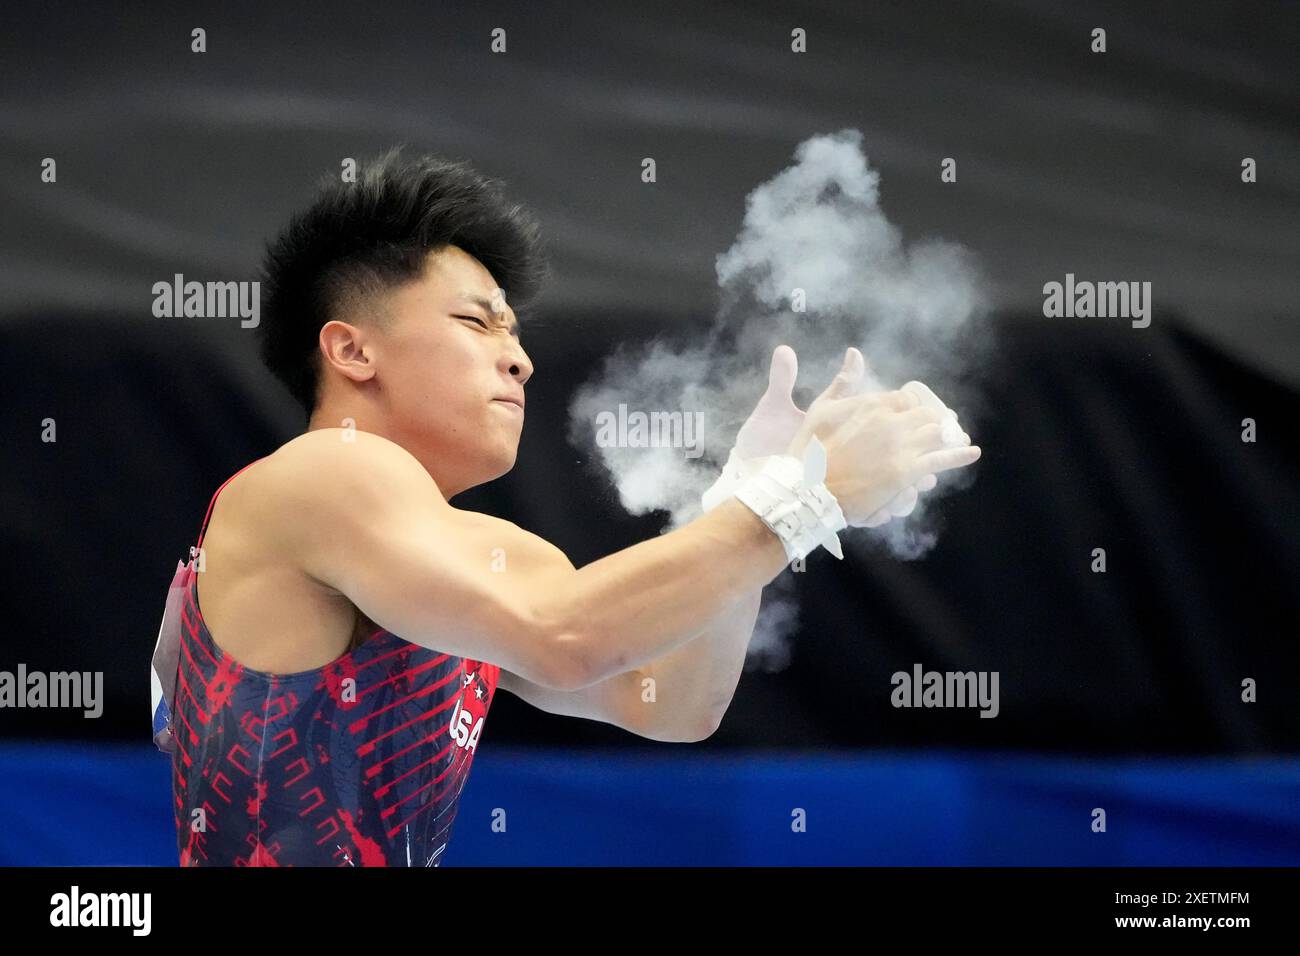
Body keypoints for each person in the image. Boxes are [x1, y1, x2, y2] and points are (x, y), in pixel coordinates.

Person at [158, 148, 980, 867]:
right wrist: (801, 499)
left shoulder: (489, 560)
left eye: (515, 334)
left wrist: (750, 487)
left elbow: (673, 702)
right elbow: (566, 640)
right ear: (352, 349)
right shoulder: (318, 476)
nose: (516, 359)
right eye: (476, 323)